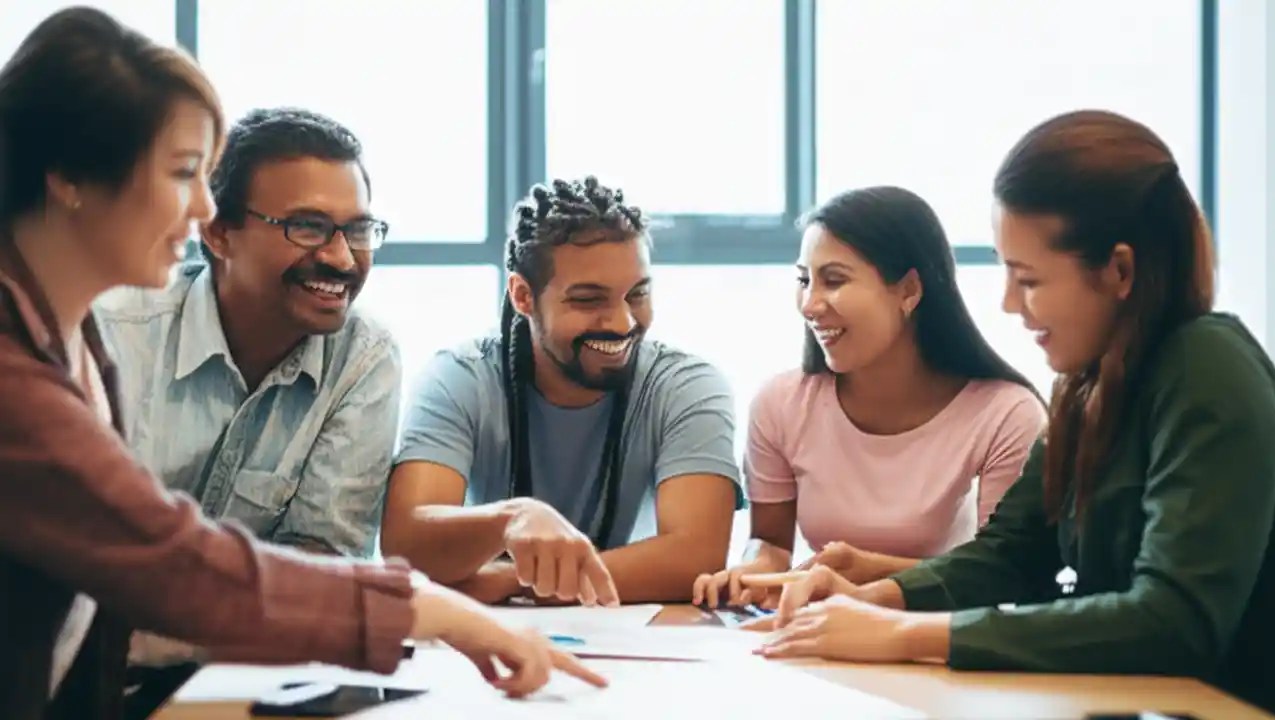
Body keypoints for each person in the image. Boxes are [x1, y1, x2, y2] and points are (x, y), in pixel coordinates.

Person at [0, 9, 601, 718]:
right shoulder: (18, 376)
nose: (200, 208)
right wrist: (428, 608)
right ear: (70, 175)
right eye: (184, 173)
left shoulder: (73, 344)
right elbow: (163, 558)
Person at [740, 110, 1275, 715]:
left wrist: (904, 634)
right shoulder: (1089, 387)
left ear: (1119, 271)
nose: (1007, 303)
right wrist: (879, 598)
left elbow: (1175, 619)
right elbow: (1012, 553)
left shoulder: (1207, 365)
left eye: (1027, 280)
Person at [382, 176, 742, 605]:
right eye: (590, 300)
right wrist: (512, 519)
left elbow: (696, 557)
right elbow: (405, 543)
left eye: (638, 294)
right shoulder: (460, 377)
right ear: (522, 296)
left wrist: (516, 580)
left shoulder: (687, 386)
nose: (623, 323)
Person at [692, 186, 1044, 610]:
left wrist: (869, 570)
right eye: (804, 280)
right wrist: (750, 570)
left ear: (909, 291)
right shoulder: (780, 404)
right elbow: (770, 543)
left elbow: (1003, 575)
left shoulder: (1006, 414)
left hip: (937, 634)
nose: (809, 304)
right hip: (823, 633)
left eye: (834, 280)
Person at [97, 107, 398, 559]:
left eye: (356, 230)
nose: (342, 259)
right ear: (218, 234)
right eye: (308, 228)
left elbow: (327, 561)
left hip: (253, 627)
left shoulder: (362, 358)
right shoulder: (116, 336)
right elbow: (83, 545)